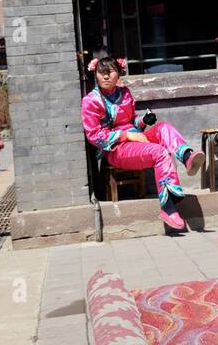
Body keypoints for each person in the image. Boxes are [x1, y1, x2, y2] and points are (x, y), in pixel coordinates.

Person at [80, 53, 205, 231]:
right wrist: (126, 136)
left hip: (135, 140)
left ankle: (187, 157)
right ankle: (168, 207)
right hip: (116, 149)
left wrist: (144, 121)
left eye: (110, 72)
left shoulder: (124, 93)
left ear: (119, 74)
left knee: (164, 128)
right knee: (160, 152)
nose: (106, 76)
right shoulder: (91, 101)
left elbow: (132, 123)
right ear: (96, 75)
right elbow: (94, 136)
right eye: (101, 72)